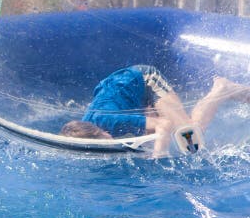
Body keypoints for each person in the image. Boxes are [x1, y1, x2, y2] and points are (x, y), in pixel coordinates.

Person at [60, 65, 250, 156]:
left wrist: (159, 156)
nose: (107, 145)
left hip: (144, 79)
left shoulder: (111, 121)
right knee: (154, 131)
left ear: (101, 131)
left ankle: (222, 89)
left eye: (104, 141)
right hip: (123, 89)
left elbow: (164, 125)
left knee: (190, 136)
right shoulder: (88, 129)